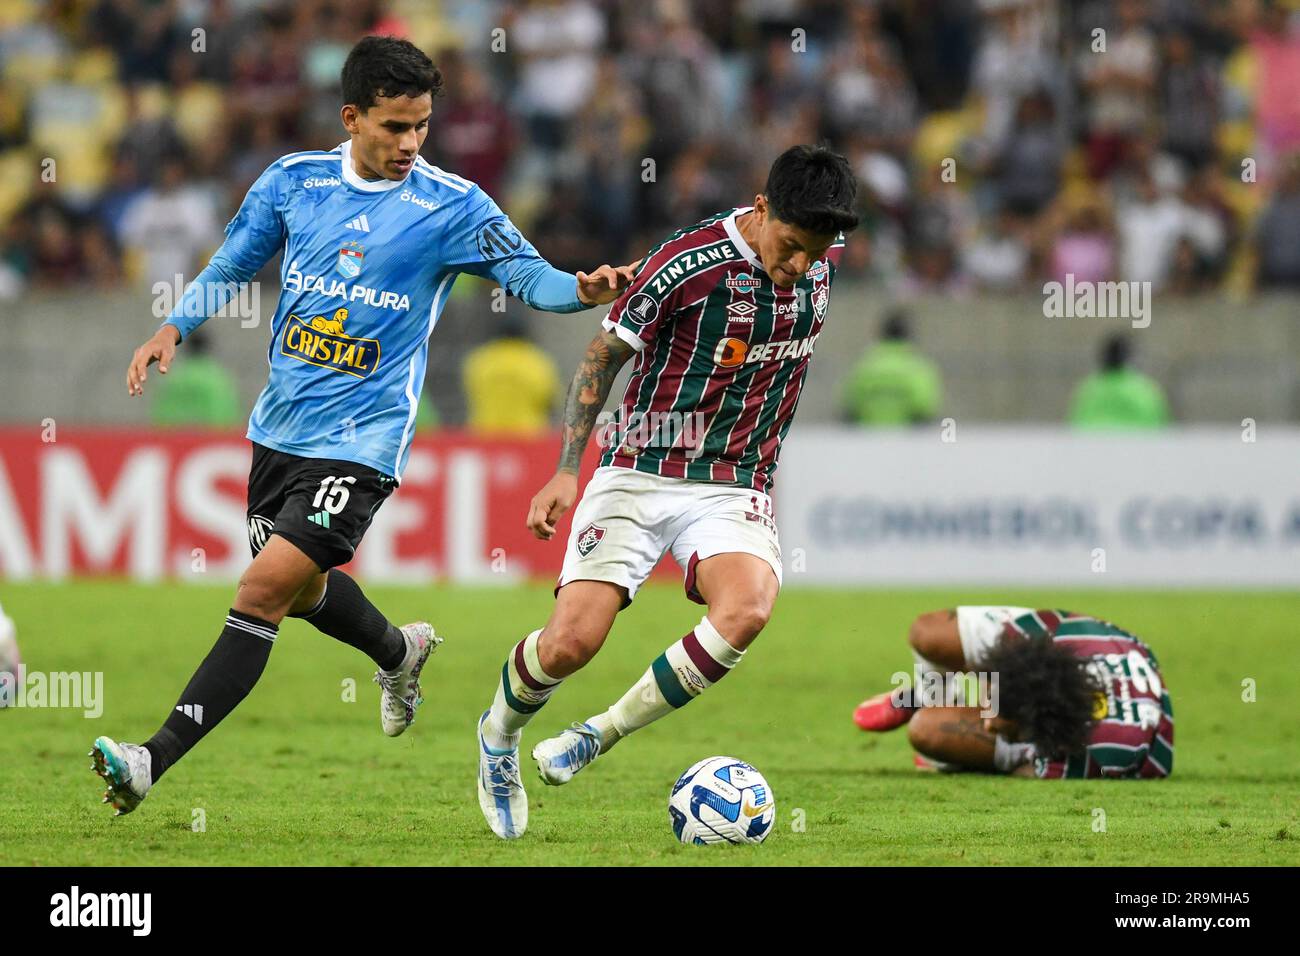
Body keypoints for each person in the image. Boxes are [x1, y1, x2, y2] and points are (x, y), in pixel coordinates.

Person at [91, 36, 635, 816]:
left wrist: (580, 289)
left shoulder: (451, 206)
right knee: (303, 585)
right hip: (281, 430)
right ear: (351, 118)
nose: (410, 144)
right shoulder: (294, 183)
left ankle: (151, 759)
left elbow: (530, 278)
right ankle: (397, 650)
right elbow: (234, 262)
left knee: (261, 590)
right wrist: (172, 328)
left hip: (365, 441)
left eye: (421, 126)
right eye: (392, 127)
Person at [474, 144, 859, 839]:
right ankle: (498, 737)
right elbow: (602, 354)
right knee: (569, 645)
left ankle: (600, 733)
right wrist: (568, 467)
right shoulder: (688, 264)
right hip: (639, 468)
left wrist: (810, 254)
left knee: (746, 610)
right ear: (762, 208)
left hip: (734, 481)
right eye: (794, 246)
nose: (802, 265)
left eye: (819, 251)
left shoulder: (818, 262)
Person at [852, 607, 1173, 779]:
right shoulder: (1034, 632)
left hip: (1133, 727)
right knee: (927, 632)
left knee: (926, 732)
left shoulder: (1091, 754)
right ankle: (928, 693)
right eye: (987, 695)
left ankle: (932, 721)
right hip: (1103, 642)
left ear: (1037, 728)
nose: (987, 724)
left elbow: (1031, 772)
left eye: (996, 717)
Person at [462, 314, 560, 436]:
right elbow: (550, 401)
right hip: (527, 436)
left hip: (485, 434)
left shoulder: (479, 360)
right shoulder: (537, 361)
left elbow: (471, 393)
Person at [842, 310, 942, 426]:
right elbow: (925, 411)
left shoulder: (864, 367)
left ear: (881, 334)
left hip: (868, 440)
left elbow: (849, 408)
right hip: (908, 441)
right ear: (908, 336)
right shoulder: (919, 369)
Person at [1068, 335, 1170, 429]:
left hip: (1094, 446)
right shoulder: (1146, 390)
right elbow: (1162, 426)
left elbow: (1074, 426)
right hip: (1139, 446)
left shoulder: (1088, 390)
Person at [149, 329, 242, 428]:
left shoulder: (174, 378)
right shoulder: (219, 378)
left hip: (177, 438)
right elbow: (229, 416)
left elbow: (161, 416)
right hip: (213, 438)